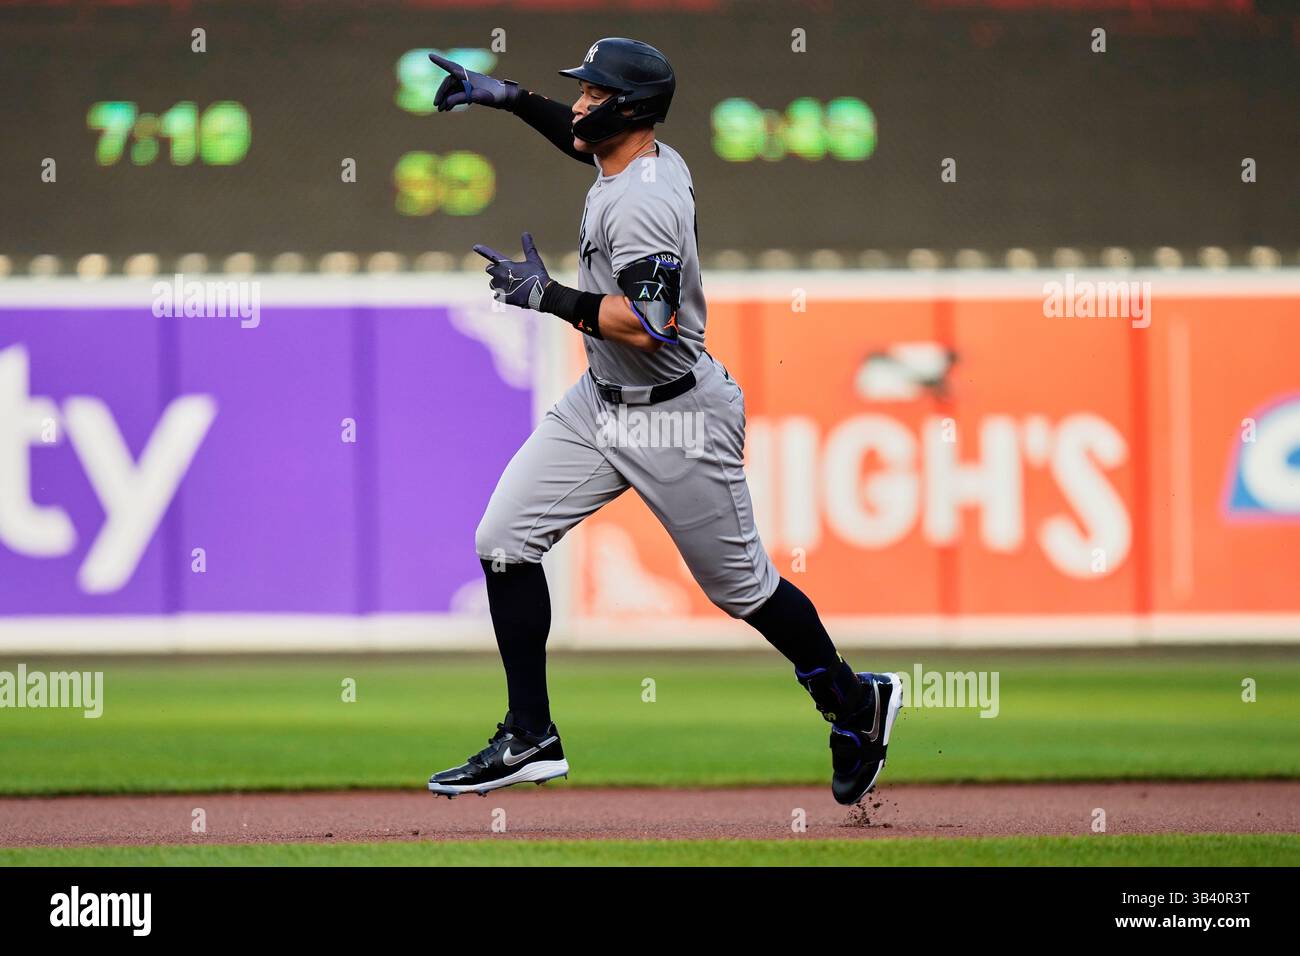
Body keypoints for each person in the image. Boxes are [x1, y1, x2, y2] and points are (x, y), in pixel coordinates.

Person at [424, 39, 902, 806]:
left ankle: (853, 704)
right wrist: (506, 98)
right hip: (599, 404)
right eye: (580, 91)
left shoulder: (643, 200)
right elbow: (580, 140)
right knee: (504, 542)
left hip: (676, 415)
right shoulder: (634, 161)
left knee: (742, 588)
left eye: (594, 93)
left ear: (632, 109)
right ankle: (530, 734)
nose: (580, 102)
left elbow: (653, 324)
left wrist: (547, 297)